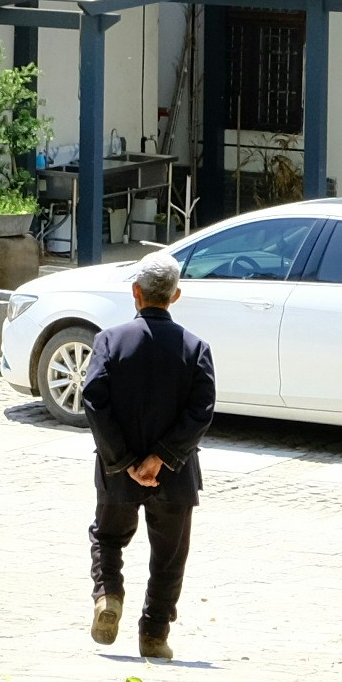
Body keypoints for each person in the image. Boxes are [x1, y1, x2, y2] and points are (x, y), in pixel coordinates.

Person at [78, 251, 217, 657]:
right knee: (169, 557)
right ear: (175, 296)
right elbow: (202, 411)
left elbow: (94, 399)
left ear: (135, 293)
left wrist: (123, 459)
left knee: (107, 537)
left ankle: (108, 595)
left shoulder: (110, 340)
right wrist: (162, 456)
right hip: (174, 474)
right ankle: (154, 634)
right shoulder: (195, 348)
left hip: (119, 471)